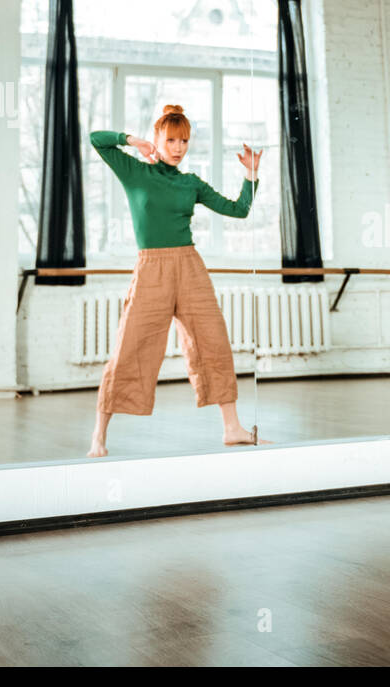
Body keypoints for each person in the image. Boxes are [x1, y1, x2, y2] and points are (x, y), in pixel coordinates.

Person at [87, 104, 264, 457]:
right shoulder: (134, 172)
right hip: (151, 269)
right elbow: (97, 141)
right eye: (170, 139)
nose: (178, 147)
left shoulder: (190, 183)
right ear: (158, 138)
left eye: (183, 140)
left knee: (213, 341)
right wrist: (133, 140)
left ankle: (232, 428)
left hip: (189, 267)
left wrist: (251, 176)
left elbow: (239, 210)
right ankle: (99, 437)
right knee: (129, 348)